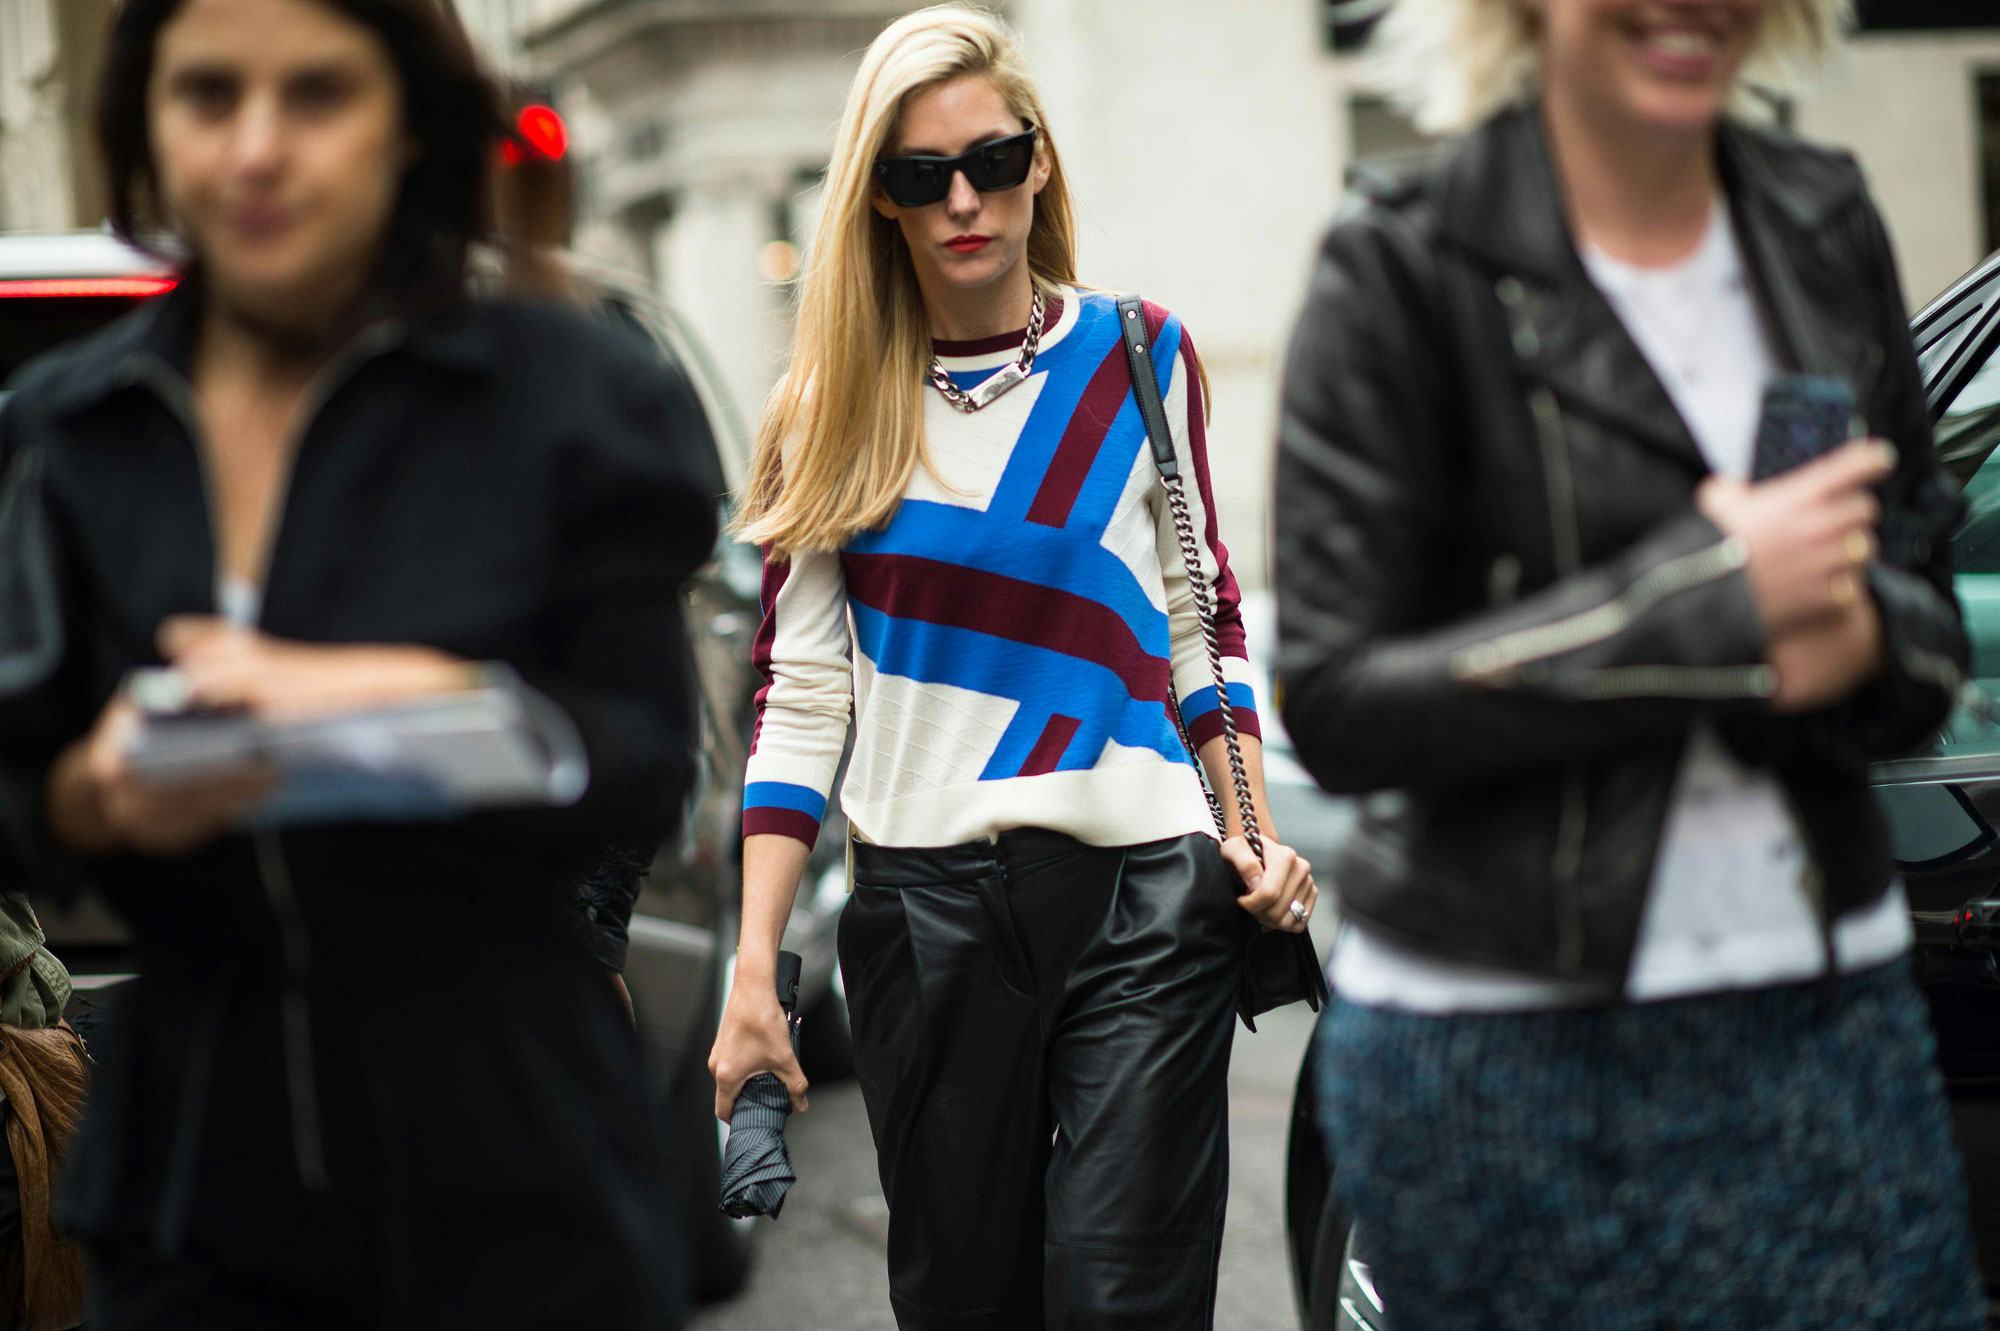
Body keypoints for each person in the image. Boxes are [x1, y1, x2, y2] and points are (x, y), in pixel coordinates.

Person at [0, 0, 719, 1324]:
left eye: (318, 94)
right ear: (144, 119)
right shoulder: (72, 424)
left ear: (409, 121)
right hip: (188, 1188)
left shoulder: (571, 395)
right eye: (209, 95)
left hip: (512, 1171)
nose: (258, 148)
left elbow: (642, 762)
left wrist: (401, 695)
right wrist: (98, 793)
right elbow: (22, 786)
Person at [1274, 0, 1984, 1326]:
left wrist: (1875, 637)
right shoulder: (1403, 259)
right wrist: (1711, 607)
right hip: (1500, 1048)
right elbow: (1336, 698)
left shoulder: (1822, 220)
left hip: (1828, 1012)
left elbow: (1926, 594)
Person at [704, 6, 1315, 1327]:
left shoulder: (1142, 358)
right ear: (880, 200)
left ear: (1042, 160)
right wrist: (755, 966)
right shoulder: (820, 409)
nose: (966, 199)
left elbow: (1200, 628)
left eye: (993, 158)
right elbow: (800, 699)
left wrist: (1250, 831)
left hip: (1143, 903)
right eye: (923, 177)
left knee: (1122, 1301)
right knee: (963, 1300)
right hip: (925, 918)